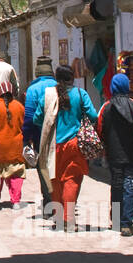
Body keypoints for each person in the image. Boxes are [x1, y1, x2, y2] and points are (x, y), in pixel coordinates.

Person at [34, 64, 99, 231]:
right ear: (72, 78)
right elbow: (93, 116)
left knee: (55, 181)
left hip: (53, 145)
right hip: (74, 144)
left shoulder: (48, 96)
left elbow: (37, 118)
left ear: (57, 78)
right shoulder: (80, 94)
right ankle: (68, 220)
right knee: (71, 180)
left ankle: (58, 217)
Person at [97, 73, 133, 236]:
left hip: (114, 154)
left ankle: (117, 221)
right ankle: (127, 224)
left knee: (117, 186)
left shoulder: (106, 107)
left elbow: (99, 129)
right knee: (130, 187)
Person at [0, 85, 27, 209]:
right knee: (16, 174)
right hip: (16, 147)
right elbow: (25, 126)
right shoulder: (19, 106)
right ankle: (16, 201)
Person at [22, 56, 56, 205]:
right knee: (57, 166)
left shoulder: (32, 89)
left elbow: (29, 116)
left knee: (43, 166)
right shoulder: (58, 86)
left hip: (39, 135)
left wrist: (26, 137)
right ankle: (59, 197)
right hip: (59, 134)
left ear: (37, 72)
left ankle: (48, 200)